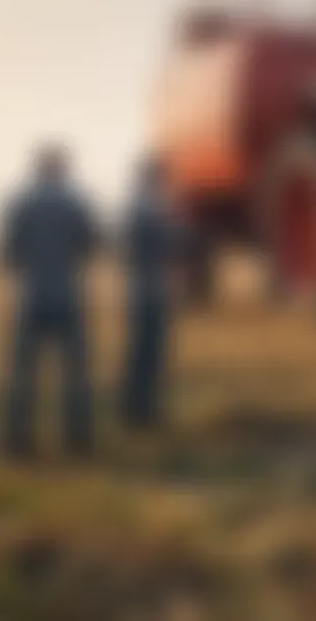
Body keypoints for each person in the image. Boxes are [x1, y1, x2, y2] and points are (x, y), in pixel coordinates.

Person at [1, 142, 98, 458]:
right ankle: (78, 440)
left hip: (32, 295)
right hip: (68, 294)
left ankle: (18, 439)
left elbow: (10, 251)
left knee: (23, 373)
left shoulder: (21, 202)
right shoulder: (75, 202)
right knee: (76, 372)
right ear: (63, 169)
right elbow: (90, 244)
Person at [120, 154, 184, 430]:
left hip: (137, 287)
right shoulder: (153, 208)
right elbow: (172, 242)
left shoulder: (134, 206)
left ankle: (132, 407)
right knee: (150, 353)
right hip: (153, 289)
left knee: (138, 351)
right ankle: (144, 411)